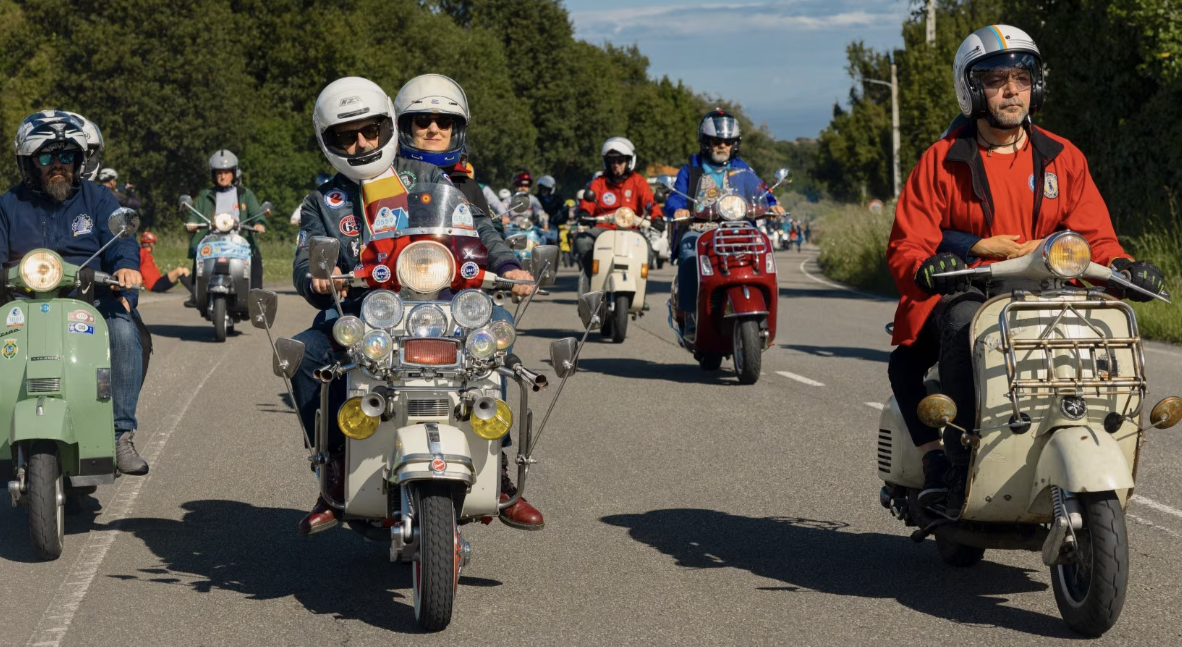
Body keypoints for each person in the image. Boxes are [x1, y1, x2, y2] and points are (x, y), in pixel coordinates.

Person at [886, 25, 1167, 515]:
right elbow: (908, 242)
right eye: (996, 80)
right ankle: (949, 462)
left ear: (1036, 85)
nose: (1011, 90)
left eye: (1022, 76)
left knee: (1105, 327)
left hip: (1052, 287)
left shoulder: (1063, 157)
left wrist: (1125, 266)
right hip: (971, 288)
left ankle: (1099, 434)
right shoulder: (939, 161)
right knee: (957, 325)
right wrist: (929, 265)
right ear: (972, 89)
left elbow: (1096, 235)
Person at [289, 76, 536, 535]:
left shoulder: (428, 177)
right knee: (304, 358)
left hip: (443, 304)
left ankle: (498, 469)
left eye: (370, 131)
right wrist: (316, 277)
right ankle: (335, 471)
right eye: (347, 136)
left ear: (387, 128)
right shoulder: (322, 202)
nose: (361, 142)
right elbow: (306, 259)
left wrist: (511, 266)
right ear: (330, 142)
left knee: (497, 336)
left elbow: (480, 227)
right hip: (363, 310)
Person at [0, 110, 148, 474]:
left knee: (124, 332)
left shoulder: (98, 199)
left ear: (80, 160)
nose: (58, 165)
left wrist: (126, 265)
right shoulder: (8, 204)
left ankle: (120, 434)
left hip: (89, 297)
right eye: (47, 157)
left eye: (67, 156)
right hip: (22, 300)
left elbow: (121, 242)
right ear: (30, 162)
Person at [665, 110, 784, 334]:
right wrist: (678, 209)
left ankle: (763, 309)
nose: (722, 146)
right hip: (701, 230)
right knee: (689, 251)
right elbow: (675, 197)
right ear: (706, 142)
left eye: (727, 142)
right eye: (717, 141)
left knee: (763, 249)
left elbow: (761, 192)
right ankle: (690, 314)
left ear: (734, 144)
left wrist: (772, 203)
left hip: (740, 229)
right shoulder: (691, 169)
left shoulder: (743, 170)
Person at [572, 137, 663, 288]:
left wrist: (657, 217)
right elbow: (588, 201)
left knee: (647, 252)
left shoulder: (638, 181)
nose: (616, 165)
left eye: (620, 161)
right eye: (611, 161)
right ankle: (590, 279)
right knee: (582, 241)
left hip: (631, 230)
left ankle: (640, 291)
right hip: (603, 229)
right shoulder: (599, 182)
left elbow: (649, 202)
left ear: (629, 161)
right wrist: (583, 212)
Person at [184, 150, 266, 305]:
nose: (223, 176)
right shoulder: (206, 195)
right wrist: (192, 223)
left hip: (239, 236)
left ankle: (257, 297)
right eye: (219, 172)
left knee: (254, 256)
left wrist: (259, 223)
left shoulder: (245, 194)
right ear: (213, 175)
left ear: (234, 173)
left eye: (227, 172)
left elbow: (256, 213)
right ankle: (196, 293)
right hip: (212, 235)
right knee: (200, 252)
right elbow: (195, 214)